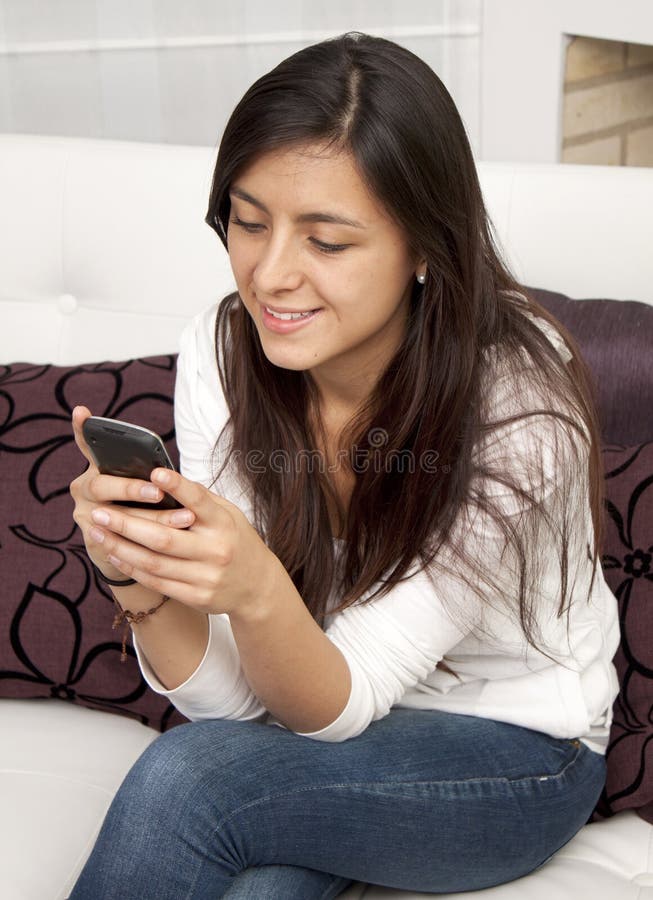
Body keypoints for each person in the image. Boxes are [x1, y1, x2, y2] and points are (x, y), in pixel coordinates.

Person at [68, 31, 619, 900]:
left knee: (189, 781)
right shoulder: (222, 350)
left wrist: (255, 588)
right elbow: (233, 703)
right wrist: (134, 571)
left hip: (517, 754)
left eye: (325, 241)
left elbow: (337, 698)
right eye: (249, 223)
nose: (269, 276)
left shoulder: (518, 406)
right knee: (254, 878)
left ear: (425, 247)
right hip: (312, 721)